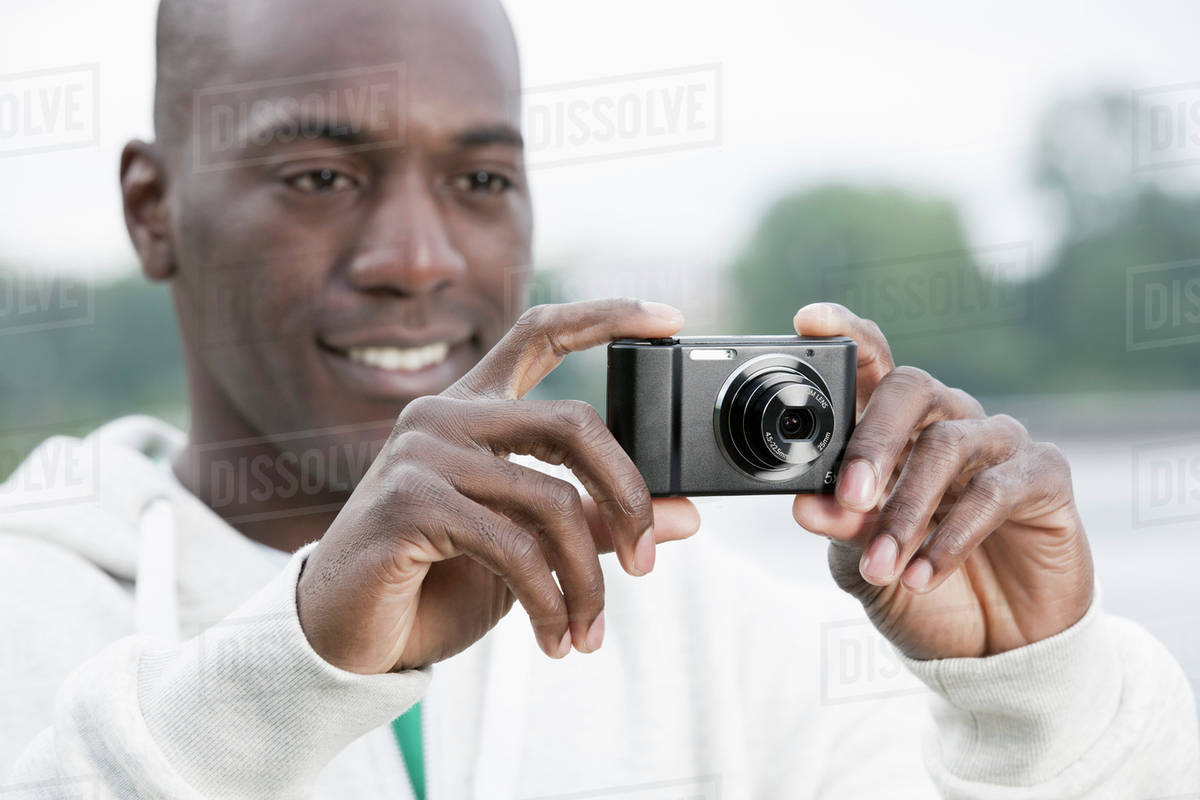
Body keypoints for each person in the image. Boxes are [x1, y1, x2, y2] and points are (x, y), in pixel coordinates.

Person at [1, 0, 1197, 796]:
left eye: (480, 177)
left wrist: (1041, 693)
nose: (418, 255)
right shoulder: (27, 604)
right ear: (153, 210)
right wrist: (291, 667)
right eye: (318, 174)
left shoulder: (721, 639)